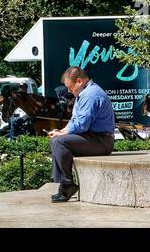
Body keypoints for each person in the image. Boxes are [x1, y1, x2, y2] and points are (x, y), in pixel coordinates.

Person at [47, 67, 115, 203]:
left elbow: (82, 125)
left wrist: (61, 134)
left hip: (102, 141)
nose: (68, 91)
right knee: (57, 140)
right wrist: (60, 132)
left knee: (59, 142)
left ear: (79, 81)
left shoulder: (90, 95)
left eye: (70, 87)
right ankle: (65, 184)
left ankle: (67, 185)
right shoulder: (84, 93)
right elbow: (74, 121)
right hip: (93, 137)